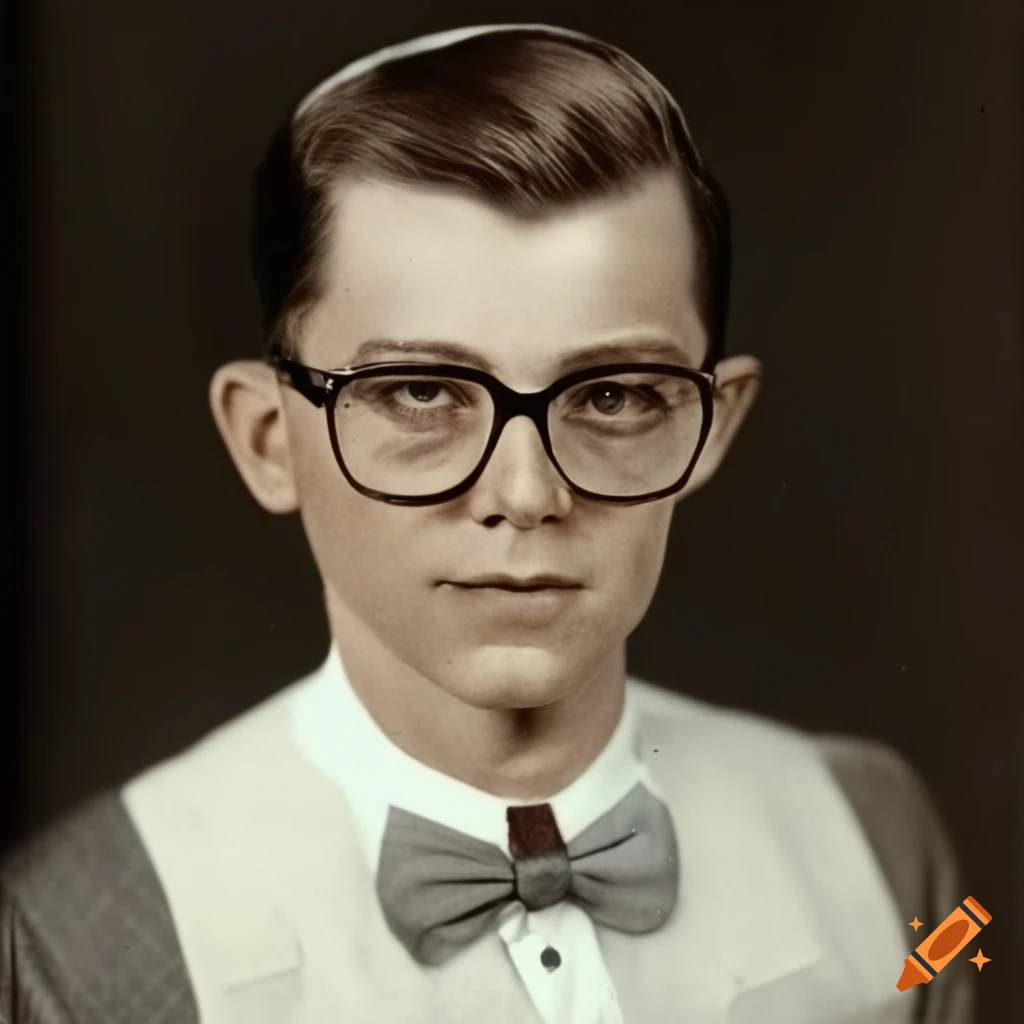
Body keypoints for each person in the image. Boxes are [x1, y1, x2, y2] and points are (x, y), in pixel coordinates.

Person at [1, 24, 973, 1024]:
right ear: (267, 440)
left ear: (710, 427)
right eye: (418, 392)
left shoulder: (885, 850)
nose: (525, 491)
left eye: (612, 397)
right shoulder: (68, 950)